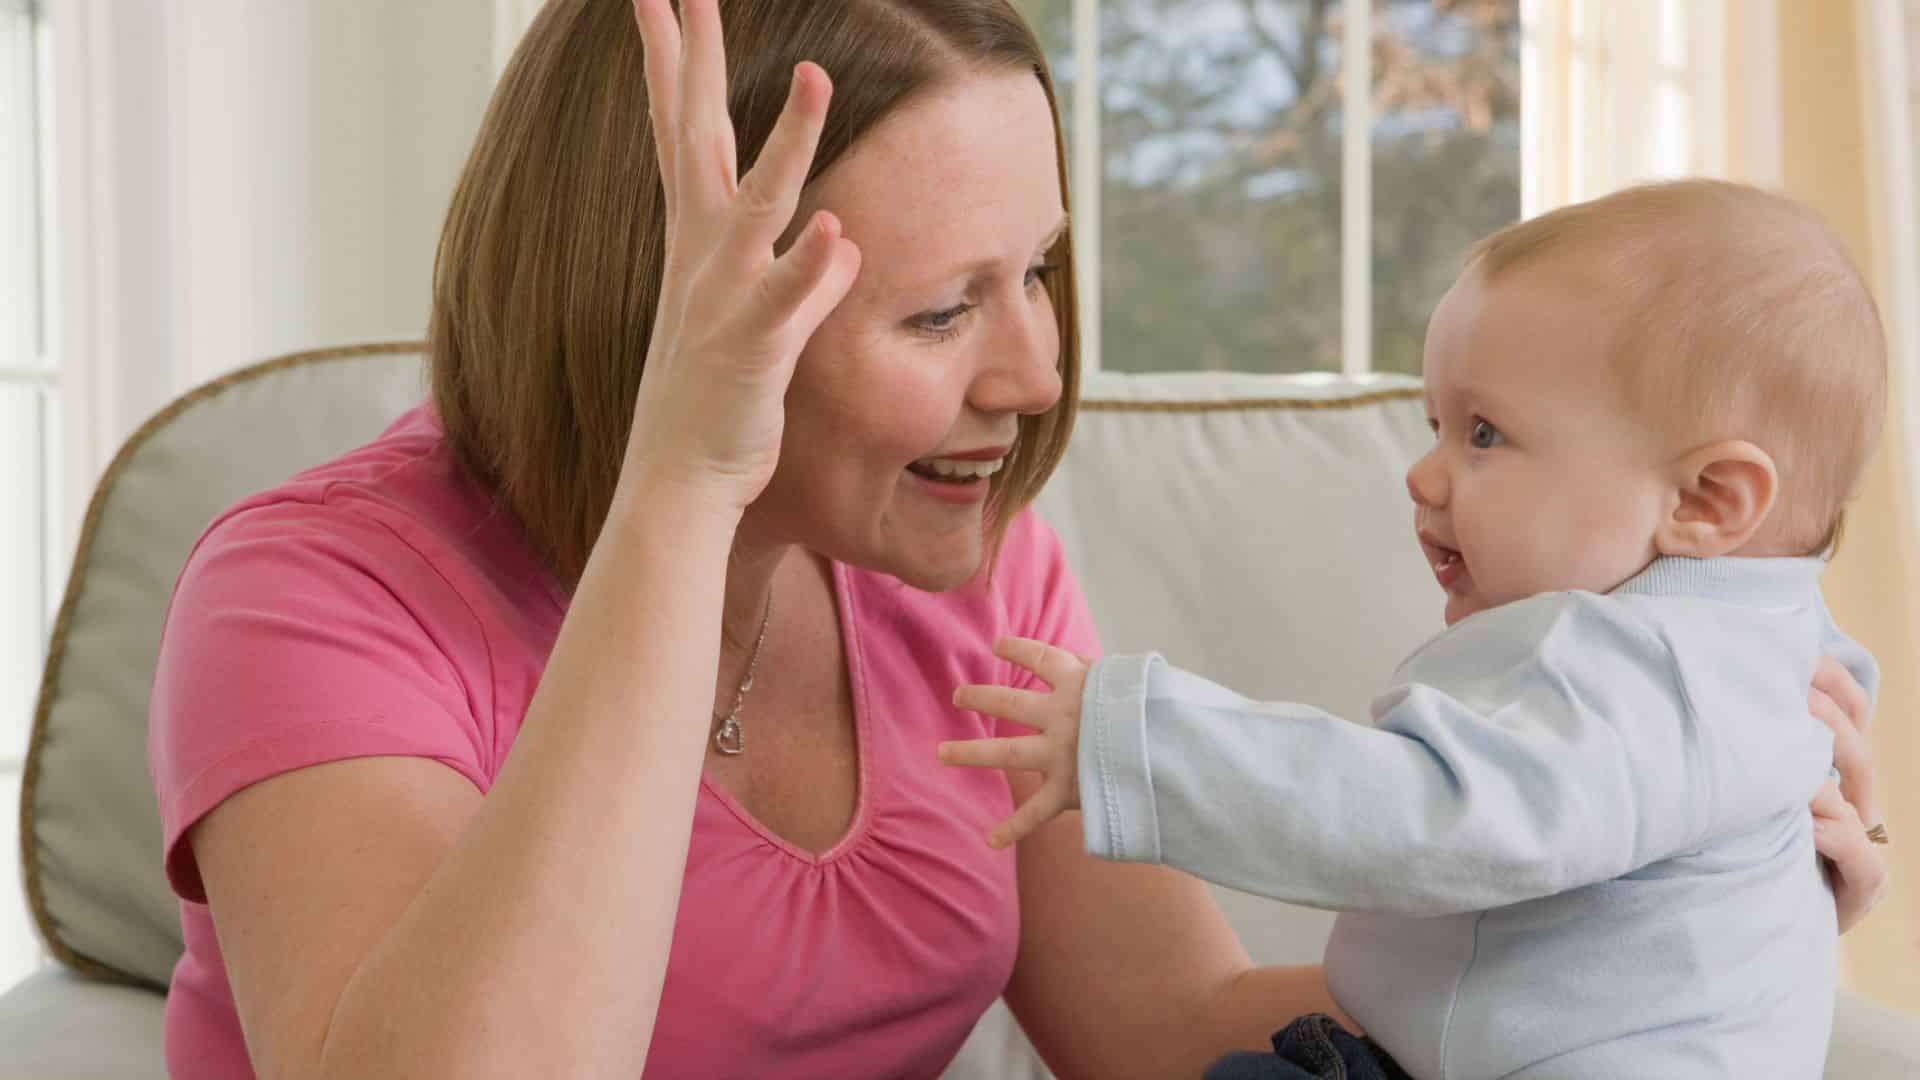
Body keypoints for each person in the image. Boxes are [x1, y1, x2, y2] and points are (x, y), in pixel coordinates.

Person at [142, 0, 1887, 1075]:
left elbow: (1156, 1035)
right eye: (939, 314)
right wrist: (683, 492)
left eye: (1038, 273)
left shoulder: (960, 567)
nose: (1040, 373)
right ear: (661, 314)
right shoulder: (317, 596)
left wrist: (1654, 907)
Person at [939, 179, 1892, 1078]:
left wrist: (1141, 742)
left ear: (1709, 499)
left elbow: (1431, 814)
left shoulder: (1632, 666)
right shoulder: (1772, 642)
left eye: (1483, 435)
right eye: (1437, 424)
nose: (1423, 478)